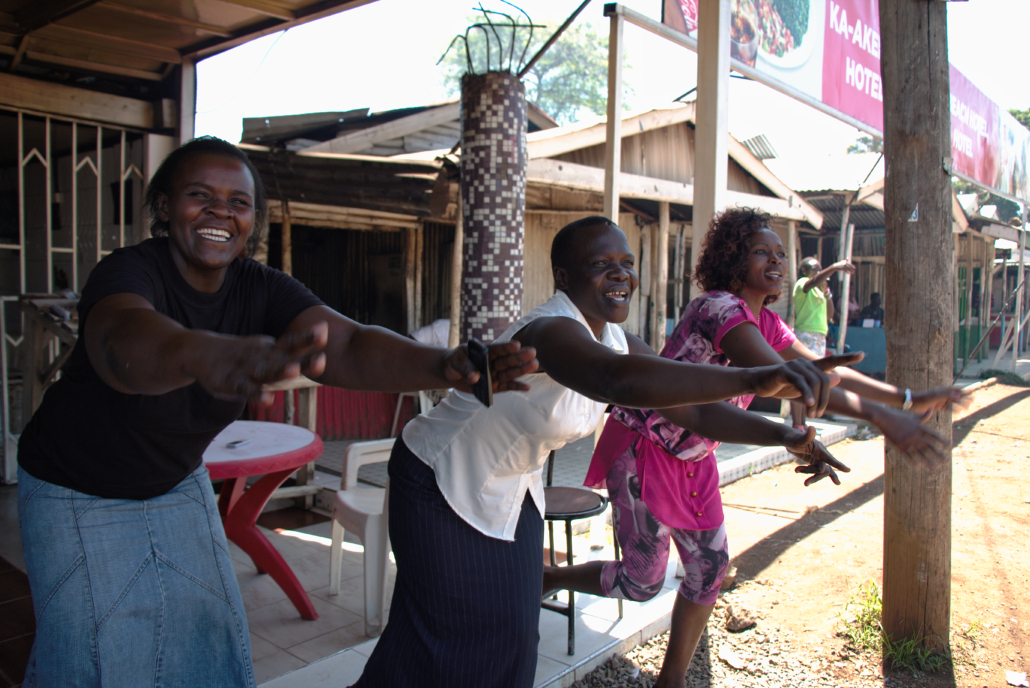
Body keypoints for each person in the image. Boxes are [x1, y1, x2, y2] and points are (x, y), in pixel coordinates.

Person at [15, 136, 539, 688]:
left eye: (238, 203)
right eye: (201, 196)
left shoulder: (259, 288)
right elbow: (122, 346)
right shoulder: (127, 272)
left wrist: (445, 367)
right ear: (165, 207)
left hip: (173, 479)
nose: (221, 212)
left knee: (207, 637)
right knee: (93, 650)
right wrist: (205, 353)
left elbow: (347, 345)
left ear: (253, 220)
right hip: (72, 486)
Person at [351, 216, 856, 688]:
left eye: (628, 264)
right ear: (564, 277)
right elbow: (614, 379)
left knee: (514, 638)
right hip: (439, 477)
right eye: (601, 265)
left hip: (510, 487)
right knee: (449, 641)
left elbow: (695, 412)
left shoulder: (615, 338)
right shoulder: (550, 330)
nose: (621, 275)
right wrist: (756, 377)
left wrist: (786, 437)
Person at [544, 208, 969, 688]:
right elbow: (784, 381)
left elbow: (819, 370)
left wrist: (906, 399)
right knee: (641, 582)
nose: (776, 261)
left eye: (781, 253)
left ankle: (672, 680)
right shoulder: (718, 309)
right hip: (647, 447)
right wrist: (881, 417)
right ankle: (552, 578)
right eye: (760, 252)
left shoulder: (765, 321)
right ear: (732, 259)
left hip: (694, 456)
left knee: (709, 569)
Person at [793, 255, 855, 356]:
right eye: (814, 270)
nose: (818, 273)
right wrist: (834, 267)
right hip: (806, 332)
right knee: (809, 367)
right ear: (804, 271)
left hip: (820, 334)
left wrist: (826, 293)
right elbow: (814, 281)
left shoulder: (819, 291)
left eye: (820, 270)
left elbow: (829, 315)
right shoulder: (801, 283)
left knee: (816, 368)